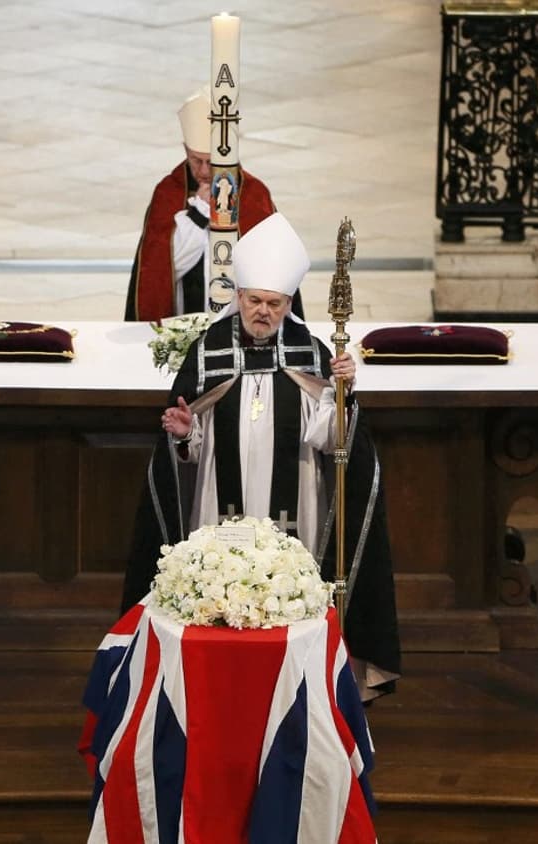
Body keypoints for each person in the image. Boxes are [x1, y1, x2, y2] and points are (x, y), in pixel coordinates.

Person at [122, 212, 400, 701]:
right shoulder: (208, 352)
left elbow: (332, 442)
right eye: (254, 301)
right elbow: (185, 456)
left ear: (288, 304)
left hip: (298, 509)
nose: (263, 312)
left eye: (274, 303)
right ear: (238, 297)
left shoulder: (313, 354)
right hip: (217, 508)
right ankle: (213, 682)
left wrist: (343, 395)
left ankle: (299, 685)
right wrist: (185, 437)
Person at [123, 86, 302, 321]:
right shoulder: (169, 192)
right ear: (185, 150)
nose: (204, 171)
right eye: (196, 161)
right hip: (184, 318)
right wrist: (198, 214)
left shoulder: (253, 194)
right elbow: (163, 270)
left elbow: (268, 270)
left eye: (211, 161)